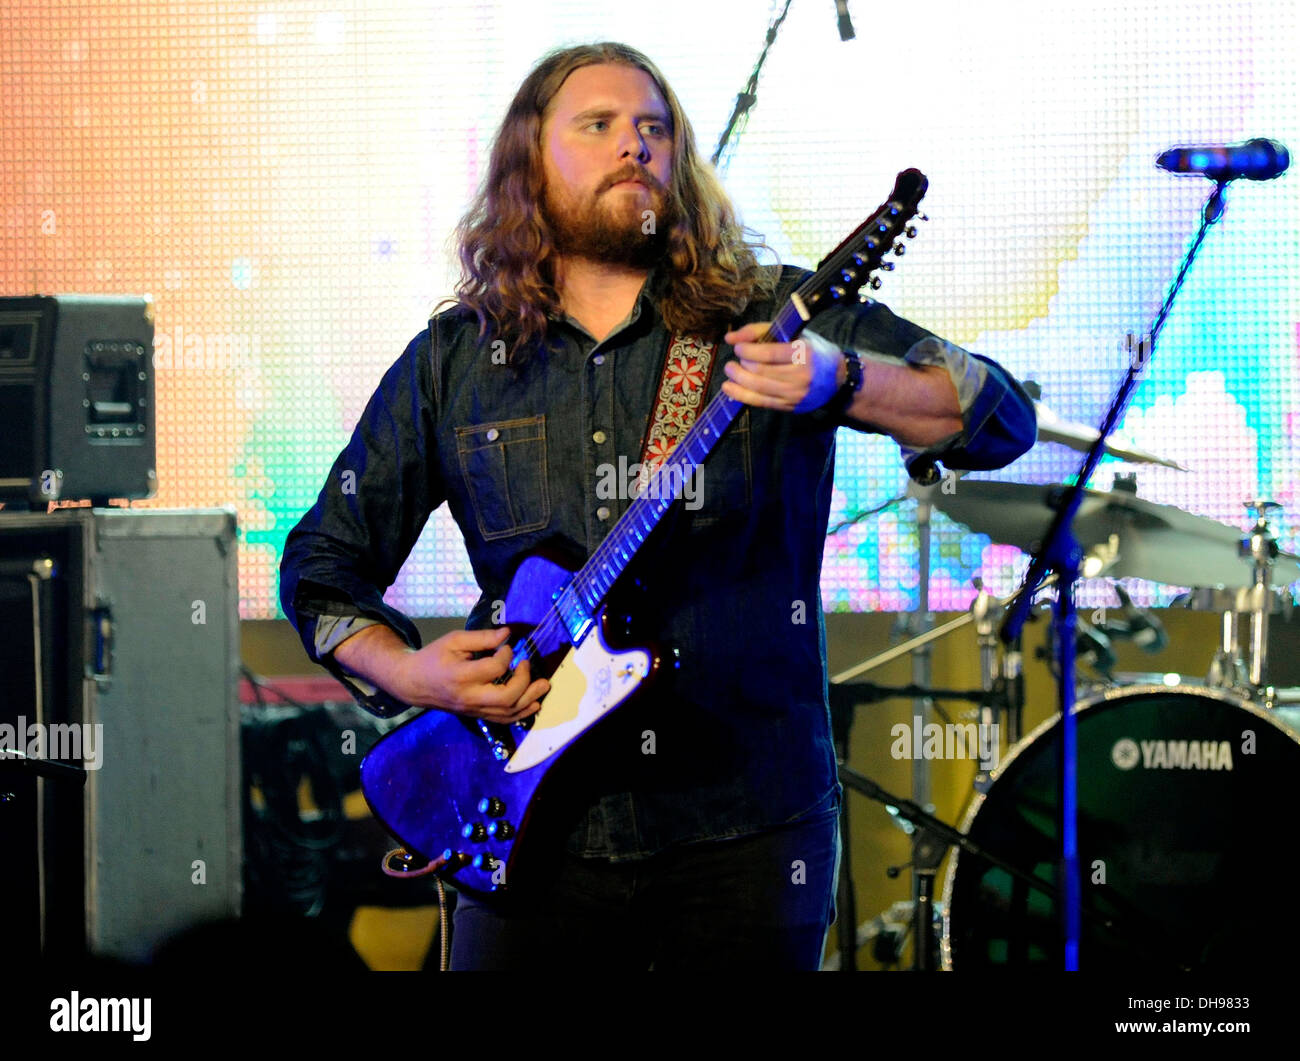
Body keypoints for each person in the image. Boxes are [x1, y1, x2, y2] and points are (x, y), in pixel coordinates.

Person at [279, 41, 1036, 971]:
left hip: (748, 831)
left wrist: (837, 381)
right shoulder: (455, 361)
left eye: (653, 128)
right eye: (597, 125)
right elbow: (322, 567)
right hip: (522, 837)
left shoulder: (771, 316)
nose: (633, 145)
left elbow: (996, 412)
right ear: (528, 162)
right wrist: (413, 674)